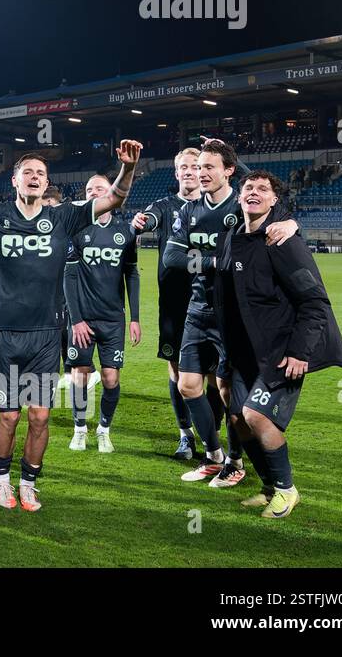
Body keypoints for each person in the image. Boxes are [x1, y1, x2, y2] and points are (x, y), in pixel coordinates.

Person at [0, 142, 142, 512]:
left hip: (46, 335)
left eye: (40, 174)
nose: (34, 178)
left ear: (47, 184)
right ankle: (1, 481)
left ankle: (28, 483)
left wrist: (126, 169)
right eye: (27, 172)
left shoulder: (63, 217)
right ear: (14, 180)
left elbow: (113, 200)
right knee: (9, 416)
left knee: (40, 416)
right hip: (6, 335)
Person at [213, 171, 342, 518]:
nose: (254, 192)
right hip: (244, 352)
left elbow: (315, 302)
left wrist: (299, 351)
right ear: (239, 197)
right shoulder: (231, 236)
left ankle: (287, 492)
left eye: (263, 189)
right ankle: (269, 485)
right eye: (248, 188)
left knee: (256, 415)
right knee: (237, 419)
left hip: (282, 351)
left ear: (275, 200)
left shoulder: (284, 240)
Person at [162, 140, 297, 488]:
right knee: (189, 386)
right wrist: (217, 262)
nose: (200, 173)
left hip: (232, 315)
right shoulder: (188, 211)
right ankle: (214, 456)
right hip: (197, 309)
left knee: (227, 394)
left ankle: (236, 463)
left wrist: (293, 225)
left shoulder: (241, 208)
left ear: (229, 171)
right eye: (197, 167)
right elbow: (172, 259)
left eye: (209, 167)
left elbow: (282, 216)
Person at [133, 148, 213, 459]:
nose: (191, 171)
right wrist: (141, 222)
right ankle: (185, 436)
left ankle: (213, 436)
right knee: (177, 371)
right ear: (177, 173)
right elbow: (149, 218)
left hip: (209, 299)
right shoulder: (165, 207)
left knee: (213, 374)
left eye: (196, 166)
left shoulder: (215, 206)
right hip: (174, 302)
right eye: (184, 167)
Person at [64, 174, 141, 453]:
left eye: (99, 187)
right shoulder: (78, 230)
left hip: (113, 320)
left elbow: (132, 274)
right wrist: (76, 320)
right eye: (88, 189)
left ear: (111, 192)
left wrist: (134, 318)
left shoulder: (125, 232)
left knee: (111, 378)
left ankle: (104, 429)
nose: (93, 192)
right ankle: (79, 429)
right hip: (83, 319)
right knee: (80, 375)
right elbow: (68, 277)